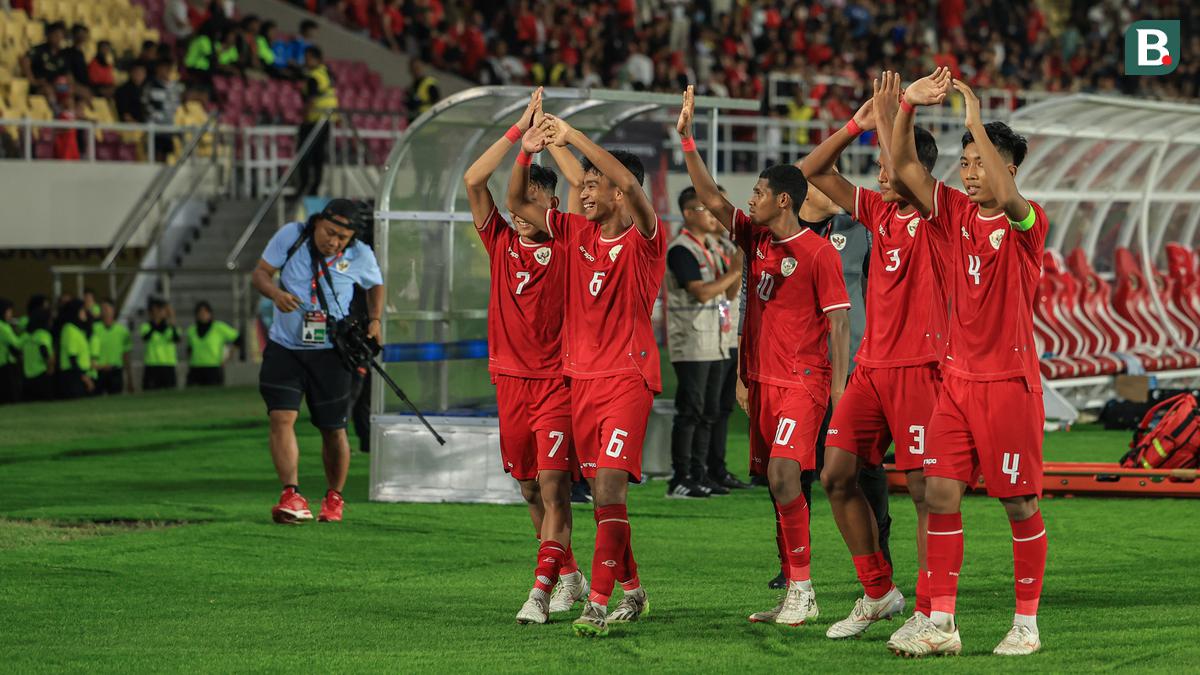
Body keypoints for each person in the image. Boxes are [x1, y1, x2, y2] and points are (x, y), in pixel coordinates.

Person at [887, 68, 1049, 657]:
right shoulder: (951, 213)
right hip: (954, 383)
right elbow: (905, 167)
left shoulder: (1026, 223)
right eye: (966, 160)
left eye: (981, 159)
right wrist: (906, 105)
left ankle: (1025, 623)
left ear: (1009, 168)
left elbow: (1011, 200)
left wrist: (976, 119)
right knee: (938, 496)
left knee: (1018, 504)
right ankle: (943, 624)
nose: (970, 169)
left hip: (1008, 384)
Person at [678, 85, 851, 627]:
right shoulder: (754, 239)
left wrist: (841, 390)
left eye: (756, 191)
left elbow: (839, 322)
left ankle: (803, 589)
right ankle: (793, 588)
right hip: (762, 379)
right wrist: (686, 140)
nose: (747, 198)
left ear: (783, 199)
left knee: (783, 475)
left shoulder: (819, 253)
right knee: (779, 485)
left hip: (804, 379)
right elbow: (709, 197)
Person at [799, 71, 947, 640]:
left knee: (926, 495)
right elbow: (810, 172)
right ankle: (880, 591)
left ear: (915, 166)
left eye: (888, 160)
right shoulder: (878, 213)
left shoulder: (942, 217)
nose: (880, 171)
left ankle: (932, 607)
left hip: (920, 373)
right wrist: (857, 124)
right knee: (836, 476)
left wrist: (901, 108)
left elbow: (904, 164)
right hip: (870, 370)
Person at [508, 112, 664, 638]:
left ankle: (595, 603)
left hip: (627, 379)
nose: (584, 191)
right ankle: (633, 590)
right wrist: (535, 148)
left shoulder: (645, 237)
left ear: (622, 193)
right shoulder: (578, 235)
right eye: (584, 185)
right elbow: (517, 202)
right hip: (582, 383)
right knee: (601, 494)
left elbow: (617, 179)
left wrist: (572, 137)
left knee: (611, 487)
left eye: (593, 185)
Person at [463, 88, 589, 625]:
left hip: (556, 383)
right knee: (529, 487)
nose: (517, 212)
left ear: (551, 205)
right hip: (510, 382)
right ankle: (569, 574)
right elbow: (474, 180)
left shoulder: (567, 247)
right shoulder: (499, 241)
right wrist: (520, 136)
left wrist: (552, 145)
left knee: (556, 486)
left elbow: (584, 189)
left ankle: (539, 592)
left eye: (530, 202)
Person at [251, 199, 384, 524]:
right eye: (330, 232)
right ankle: (291, 493)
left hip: (331, 353)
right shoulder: (291, 236)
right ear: (316, 224)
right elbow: (260, 274)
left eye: (342, 237)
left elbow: (375, 284)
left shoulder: (360, 254)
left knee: (333, 429)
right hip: (285, 348)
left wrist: (375, 319)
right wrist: (275, 294)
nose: (334, 241)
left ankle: (333, 497)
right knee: (281, 418)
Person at [664, 186, 743, 498]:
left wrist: (737, 257)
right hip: (694, 341)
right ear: (687, 213)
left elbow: (730, 294)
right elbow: (702, 292)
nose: (713, 216)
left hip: (719, 338)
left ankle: (707, 472)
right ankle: (680, 476)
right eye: (706, 210)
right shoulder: (682, 249)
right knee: (692, 410)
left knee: (714, 409)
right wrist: (735, 270)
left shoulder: (717, 245)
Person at [296, 47, 338, 198]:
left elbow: (311, 99)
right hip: (326, 119)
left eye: (308, 58)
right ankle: (314, 186)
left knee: (305, 153)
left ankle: (305, 186)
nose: (305, 61)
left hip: (315, 120)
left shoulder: (314, 76)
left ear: (316, 59)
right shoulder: (326, 72)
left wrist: (305, 116)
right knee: (318, 155)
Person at [186, 301, 240, 386]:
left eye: (205, 312)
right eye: (200, 312)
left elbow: (238, 338)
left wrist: (228, 355)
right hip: (195, 368)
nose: (203, 314)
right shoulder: (191, 330)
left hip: (213, 368)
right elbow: (189, 349)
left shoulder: (219, 327)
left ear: (210, 313)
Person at [144, 59, 184, 161]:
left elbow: (177, 106)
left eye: (169, 69)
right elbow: (146, 105)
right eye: (165, 68)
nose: (167, 71)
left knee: (166, 156)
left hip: (169, 127)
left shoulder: (175, 87)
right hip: (155, 128)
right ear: (158, 69)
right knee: (155, 154)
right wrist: (155, 117)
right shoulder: (151, 85)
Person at [91, 299, 132, 395]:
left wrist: (129, 378)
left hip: (115, 371)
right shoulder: (94, 328)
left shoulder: (122, 331)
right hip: (98, 371)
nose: (104, 311)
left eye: (107, 308)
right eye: (102, 309)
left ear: (113, 310)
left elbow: (125, 354)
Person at [55, 300, 95, 399]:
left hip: (77, 374)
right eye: (82, 310)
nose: (84, 313)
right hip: (72, 377)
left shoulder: (77, 330)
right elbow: (72, 358)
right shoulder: (70, 329)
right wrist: (84, 378)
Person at [21, 22, 69, 99]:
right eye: (56, 35)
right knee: (48, 90)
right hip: (39, 87)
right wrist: (32, 80)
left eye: (61, 36)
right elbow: (25, 60)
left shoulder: (62, 55)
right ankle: (57, 110)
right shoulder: (39, 49)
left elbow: (67, 74)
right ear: (49, 35)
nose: (58, 38)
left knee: (68, 92)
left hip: (55, 86)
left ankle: (68, 110)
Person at [141, 297, 180, 391]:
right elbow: (146, 337)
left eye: (161, 310)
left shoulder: (172, 328)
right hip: (152, 365)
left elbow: (177, 339)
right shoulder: (146, 326)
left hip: (168, 365)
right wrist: (156, 321)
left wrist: (172, 320)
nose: (159, 313)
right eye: (156, 310)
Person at [21, 307, 55, 401]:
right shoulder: (43, 334)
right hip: (41, 374)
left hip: (27, 375)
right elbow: (44, 350)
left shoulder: (26, 336)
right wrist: (50, 366)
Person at [0, 299, 20, 404]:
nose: (11, 314)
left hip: (4, 362)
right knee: (9, 395)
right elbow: (16, 343)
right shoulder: (2, 326)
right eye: (9, 311)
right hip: (4, 363)